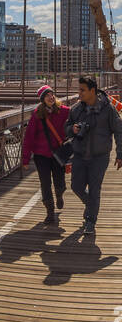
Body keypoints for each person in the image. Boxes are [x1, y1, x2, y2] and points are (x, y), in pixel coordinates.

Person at [70, 75, 119, 237]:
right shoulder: (76, 109)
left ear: (92, 91)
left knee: (94, 189)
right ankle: (90, 205)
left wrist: (120, 154)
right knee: (76, 186)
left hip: (99, 156)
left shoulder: (108, 109)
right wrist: (72, 129)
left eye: (82, 90)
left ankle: (90, 220)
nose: (79, 93)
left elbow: (119, 131)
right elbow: (66, 127)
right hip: (80, 154)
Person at [27, 84, 73, 225]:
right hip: (41, 155)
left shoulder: (63, 111)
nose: (50, 97)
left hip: (58, 154)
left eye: (51, 94)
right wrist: (25, 159)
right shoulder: (37, 114)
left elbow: (76, 115)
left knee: (60, 182)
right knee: (45, 184)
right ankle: (50, 212)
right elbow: (29, 137)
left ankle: (59, 194)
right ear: (42, 100)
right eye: (47, 96)